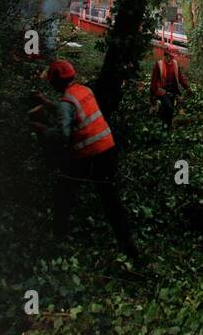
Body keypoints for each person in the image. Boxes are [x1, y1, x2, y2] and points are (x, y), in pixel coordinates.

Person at [32, 60, 140, 265]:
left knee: (64, 191)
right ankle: (129, 246)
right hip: (108, 148)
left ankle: (59, 237)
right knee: (110, 198)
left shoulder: (66, 102)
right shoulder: (83, 90)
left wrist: (43, 130)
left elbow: (63, 133)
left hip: (89, 153)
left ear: (55, 82)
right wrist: (47, 103)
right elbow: (71, 110)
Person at [150, 49, 190, 130]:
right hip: (162, 90)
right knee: (169, 107)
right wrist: (152, 94)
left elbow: (180, 77)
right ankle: (165, 123)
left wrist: (187, 87)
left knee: (170, 109)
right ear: (165, 55)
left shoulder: (175, 64)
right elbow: (154, 80)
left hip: (172, 89)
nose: (171, 58)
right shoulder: (159, 64)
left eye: (172, 57)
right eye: (169, 56)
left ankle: (169, 125)